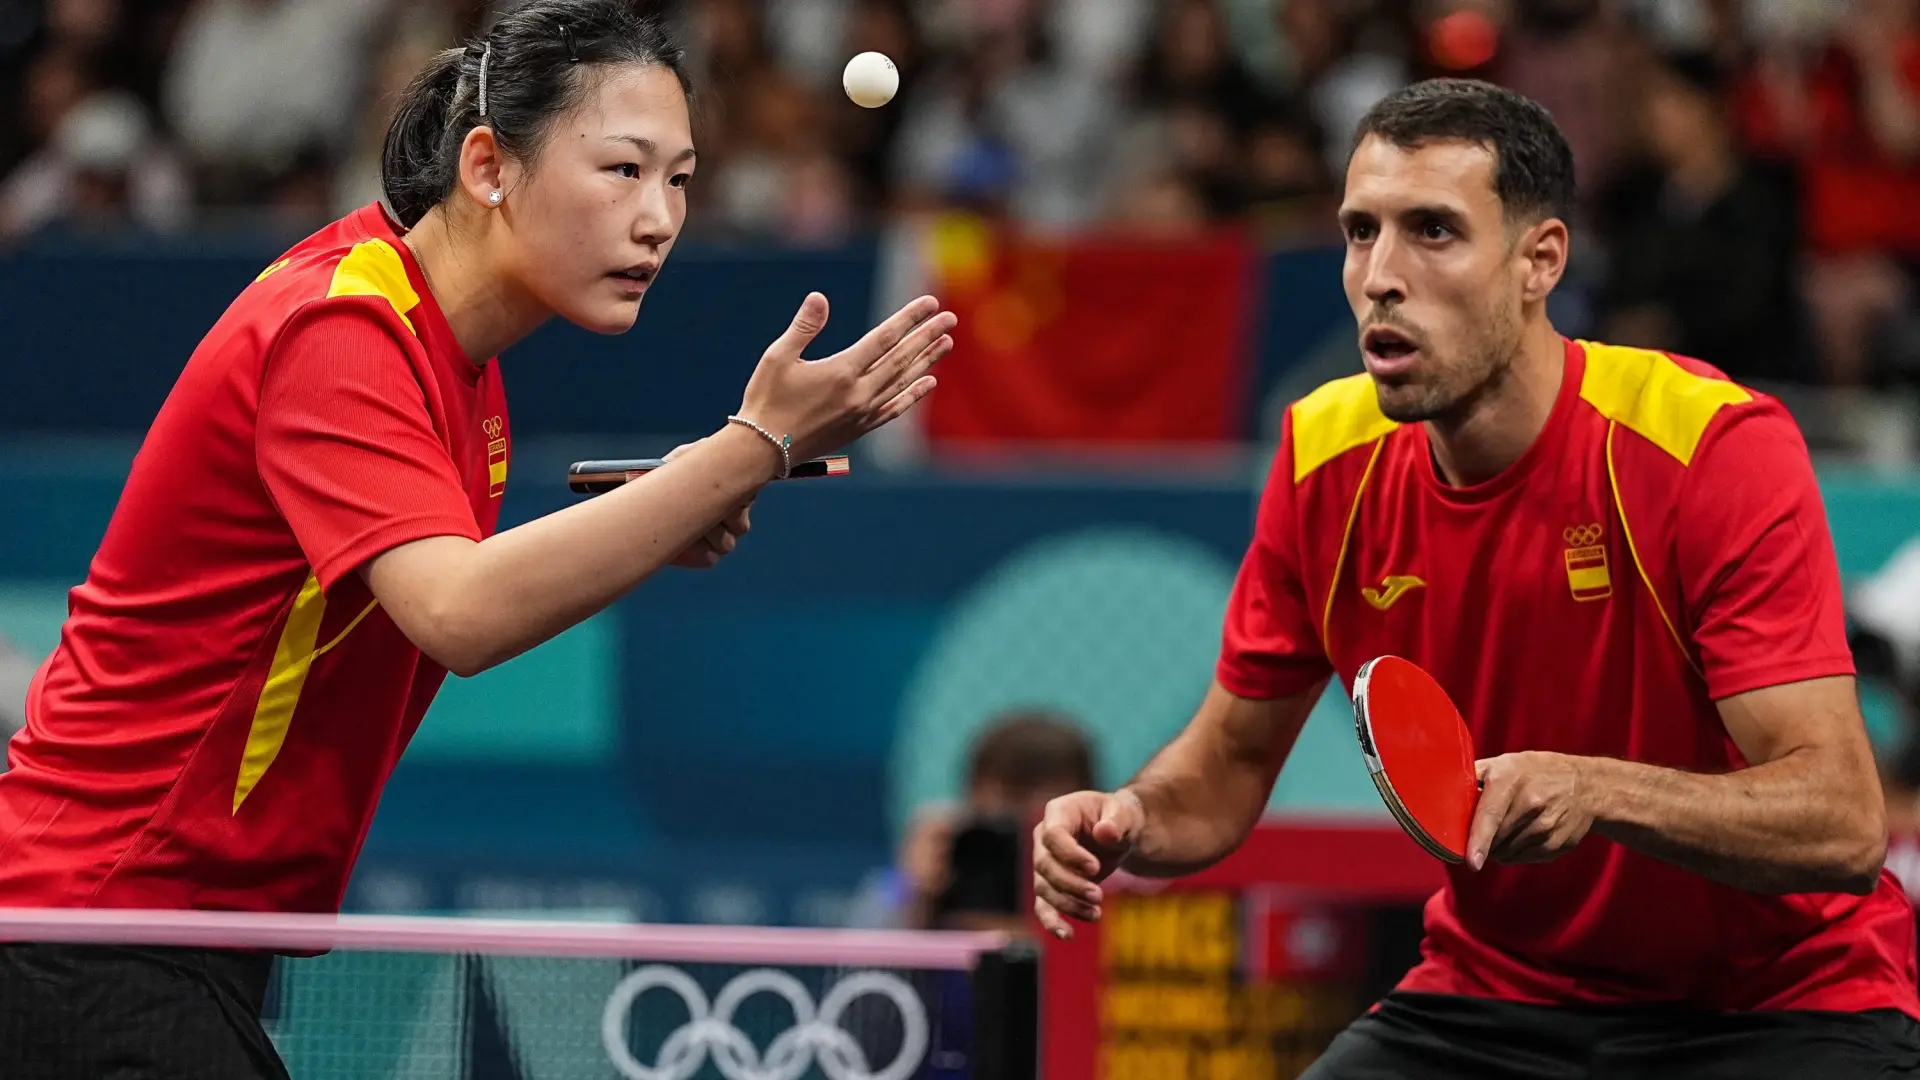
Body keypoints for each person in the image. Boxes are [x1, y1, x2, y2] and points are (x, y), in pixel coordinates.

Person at [0, 2, 955, 1077]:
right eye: (623, 170)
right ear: (490, 166)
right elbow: (462, 611)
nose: (659, 220)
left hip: (177, 935)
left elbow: (433, 590)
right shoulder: (342, 329)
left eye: (680, 180)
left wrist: (670, 507)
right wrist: (747, 449)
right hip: (95, 920)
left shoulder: (463, 371)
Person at [1032, 78, 1920, 1077]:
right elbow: (1228, 764)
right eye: (1360, 232)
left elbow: (1843, 821)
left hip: (1781, 1006)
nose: (1381, 275)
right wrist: (1130, 818)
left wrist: (1596, 789)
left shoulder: (1705, 447)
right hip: (1497, 998)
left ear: (1539, 260)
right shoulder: (1323, 457)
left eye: (1434, 233)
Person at [853, 709, 1095, 932]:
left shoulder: (1111, 874)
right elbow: (859, 958)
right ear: (971, 796)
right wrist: (911, 891)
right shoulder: (941, 856)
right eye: (1012, 803)